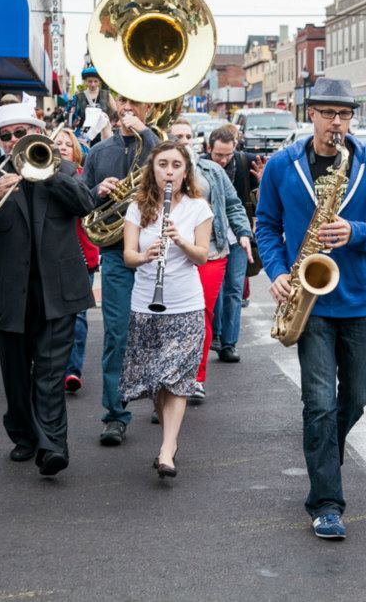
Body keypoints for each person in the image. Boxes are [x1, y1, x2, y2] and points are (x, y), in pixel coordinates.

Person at [256, 77, 366, 540]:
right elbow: (267, 224)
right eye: (327, 113)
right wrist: (277, 271)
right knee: (318, 403)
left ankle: (325, 455)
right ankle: (326, 502)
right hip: (310, 301)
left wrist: (355, 232)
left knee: (355, 398)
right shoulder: (283, 165)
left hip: (359, 299)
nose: (336, 122)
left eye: (344, 114)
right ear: (311, 114)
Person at [0, 102, 96, 474]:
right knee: (16, 373)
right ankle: (23, 433)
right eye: (6, 136)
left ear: (36, 134)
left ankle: (53, 446)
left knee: (51, 373)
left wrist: (49, 173)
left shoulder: (64, 168)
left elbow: (86, 203)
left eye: (21, 133)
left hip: (58, 291)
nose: (13, 141)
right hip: (7, 295)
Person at [119, 140, 212, 477]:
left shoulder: (198, 208)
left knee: (176, 379)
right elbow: (129, 255)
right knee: (157, 381)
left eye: (176, 165)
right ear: (152, 169)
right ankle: (168, 441)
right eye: (162, 164)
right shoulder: (137, 207)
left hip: (186, 304)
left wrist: (180, 240)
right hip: (146, 303)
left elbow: (202, 255)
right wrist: (145, 255)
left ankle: (167, 448)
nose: (169, 171)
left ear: (186, 171)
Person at [80, 93, 161, 445]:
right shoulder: (99, 153)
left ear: (149, 107)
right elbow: (80, 200)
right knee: (117, 334)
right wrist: (97, 190)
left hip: (159, 254)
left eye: (136, 101)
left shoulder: (160, 145)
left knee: (160, 332)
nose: (129, 107)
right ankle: (115, 414)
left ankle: (162, 397)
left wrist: (148, 134)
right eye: (123, 101)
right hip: (115, 254)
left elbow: (174, 178)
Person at [168, 119, 251, 401]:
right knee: (172, 318)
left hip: (211, 252)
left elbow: (233, 204)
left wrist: (242, 232)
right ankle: (170, 378)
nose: (183, 140)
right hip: (171, 254)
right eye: (177, 135)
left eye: (188, 135)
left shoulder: (212, 171)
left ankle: (196, 378)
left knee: (202, 314)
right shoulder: (157, 170)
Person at [204, 124, 263, 362]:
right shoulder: (199, 167)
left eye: (228, 154)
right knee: (215, 289)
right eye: (218, 155)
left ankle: (229, 343)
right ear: (209, 148)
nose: (223, 160)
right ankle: (216, 336)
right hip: (211, 236)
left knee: (234, 289)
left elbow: (267, 199)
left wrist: (263, 181)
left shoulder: (248, 162)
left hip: (240, 235)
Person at [53, 126, 100, 394]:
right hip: (53, 257)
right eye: (57, 142)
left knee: (79, 316)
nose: (61, 147)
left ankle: (73, 369)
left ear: (76, 152)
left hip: (82, 255)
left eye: (67, 144)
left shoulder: (82, 178)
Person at [74, 66, 110, 132]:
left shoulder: (106, 95)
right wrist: (75, 120)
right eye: (90, 81)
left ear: (99, 82)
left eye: (96, 81)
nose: (93, 84)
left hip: (102, 133)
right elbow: (74, 116)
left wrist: (110, 123)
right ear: (85, 82)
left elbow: (115, 112)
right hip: (84, 134)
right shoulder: (79, 96)